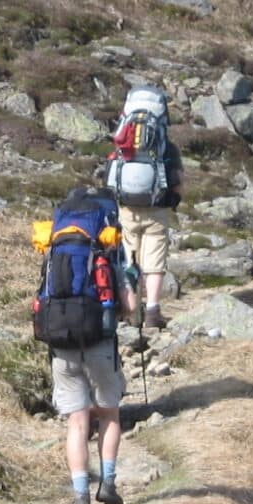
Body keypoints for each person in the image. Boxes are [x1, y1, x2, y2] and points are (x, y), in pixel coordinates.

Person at [33, 187, 137, 504]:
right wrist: (129, 283)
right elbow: (131, 309)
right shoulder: (105, 253)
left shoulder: (53, 255)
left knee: (77, 423)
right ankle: (108, 484)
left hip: (61, 345)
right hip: (100, 343)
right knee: (108, 414)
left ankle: (81, 498)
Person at [106, 88, 183, 329]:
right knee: (154, 262)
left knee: (128, 260)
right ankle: (152, 312)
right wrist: (173, 200)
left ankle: (129, 311)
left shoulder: (122, 140)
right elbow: (179, 182)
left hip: (125, 208)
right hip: (156, 210)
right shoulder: (166, 147)